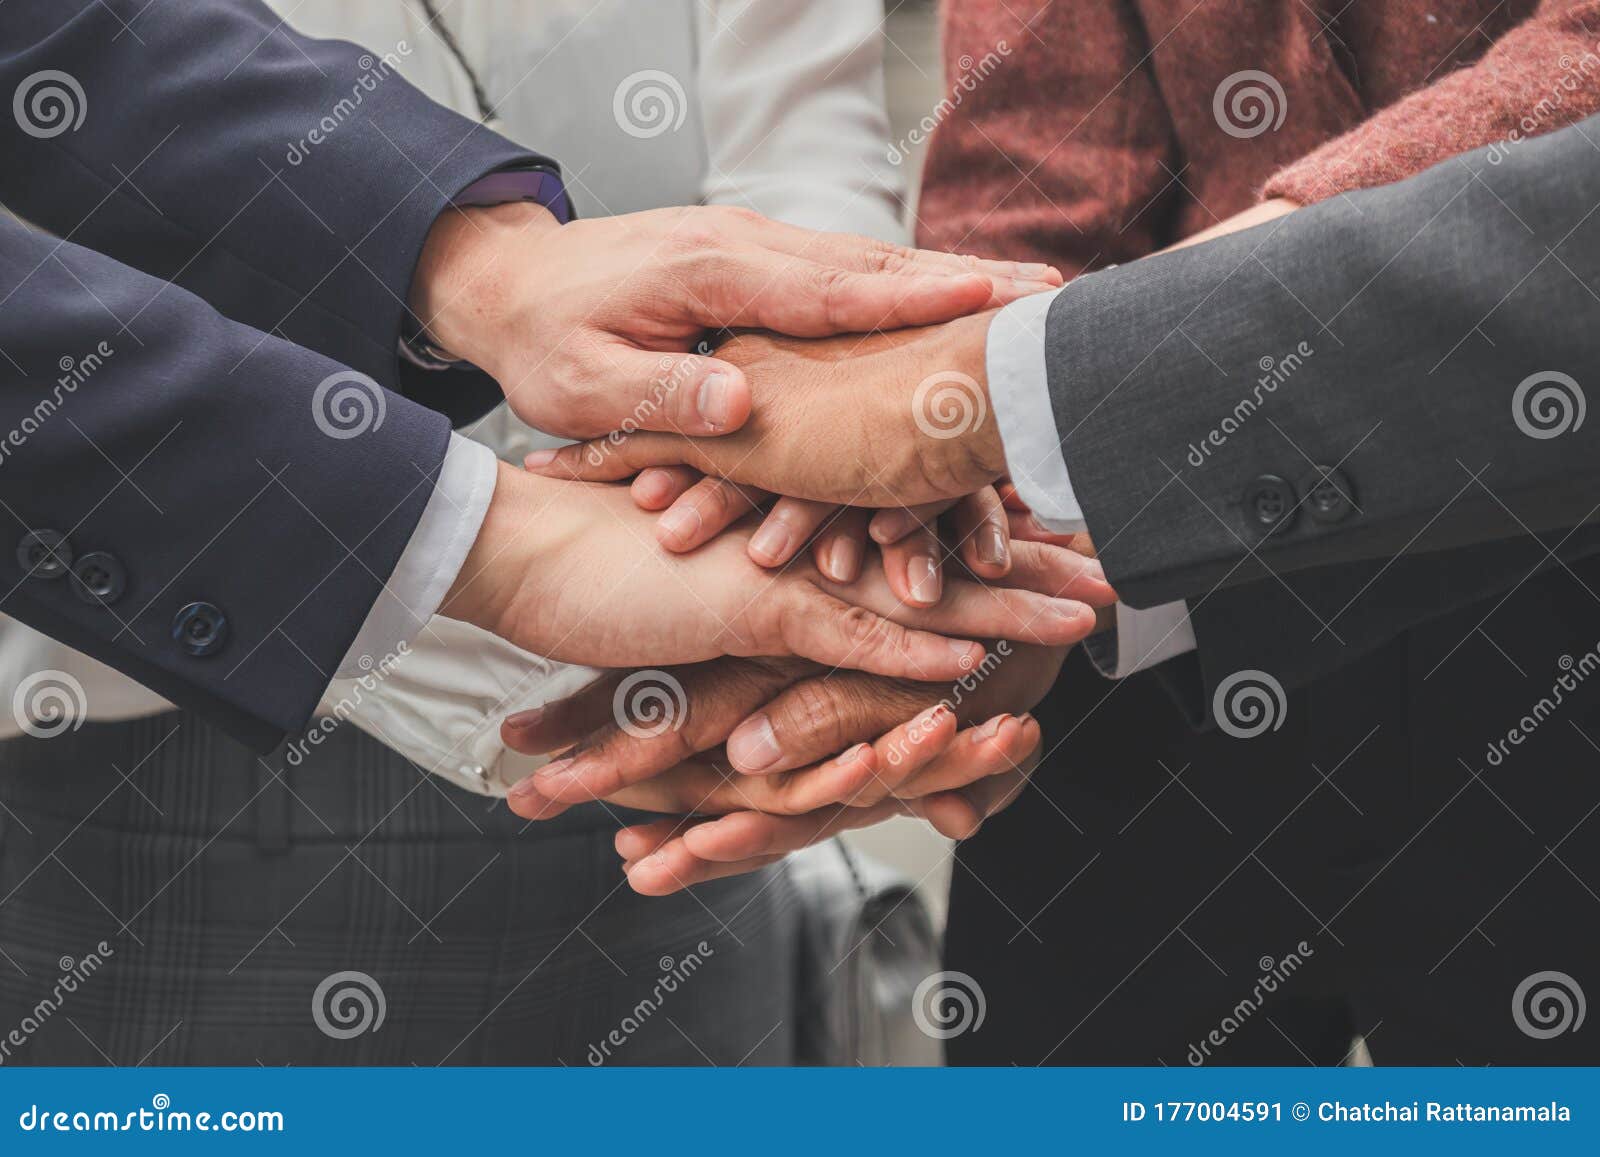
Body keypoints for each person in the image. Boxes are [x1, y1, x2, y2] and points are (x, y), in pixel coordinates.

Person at [0, 0, 1089, 1064]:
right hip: (154, 740)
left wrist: (830, 481)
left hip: (690, 685)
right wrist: (494, 540)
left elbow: (75, 39)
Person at [519, 3, 1600, 1066]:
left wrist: (971, 397)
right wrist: (958, 540)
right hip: (1132, 630)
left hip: (1552, 597)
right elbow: (1030, 164)